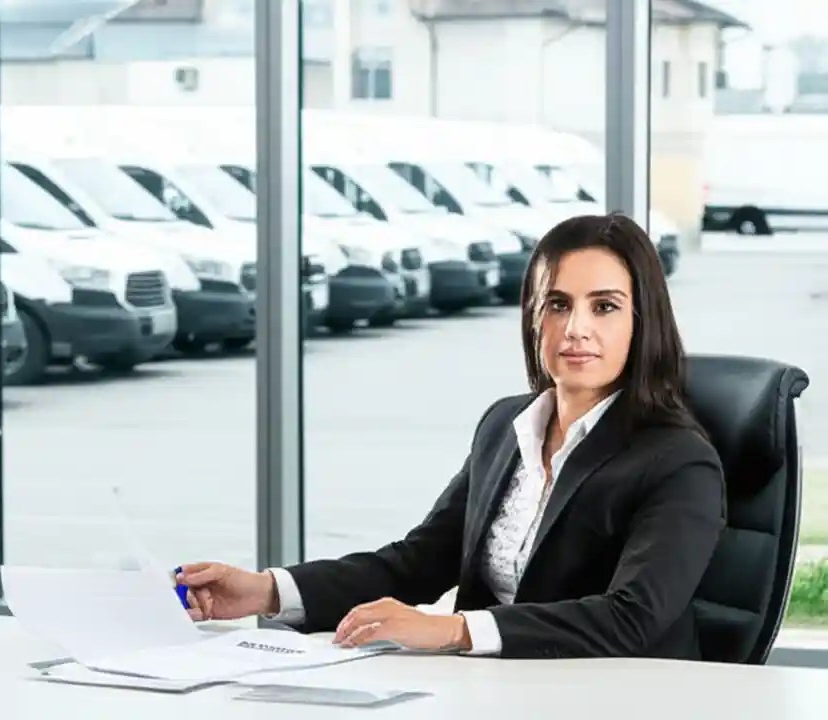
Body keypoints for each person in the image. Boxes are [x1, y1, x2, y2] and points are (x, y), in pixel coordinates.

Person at [177, 213, 725, 660]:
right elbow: (418, 563)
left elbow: (633, 617)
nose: (576, 328)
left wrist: (453, 630)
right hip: (497, 694)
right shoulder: (505, 428)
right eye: (557, 304)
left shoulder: (678, 460)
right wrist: (267, 591)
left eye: (604, 306)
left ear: (642, 320)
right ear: (534, 319)